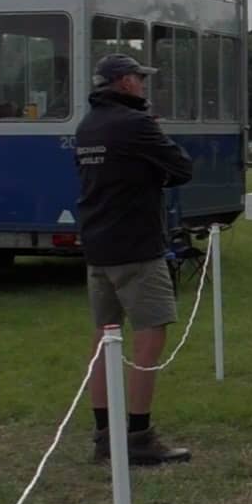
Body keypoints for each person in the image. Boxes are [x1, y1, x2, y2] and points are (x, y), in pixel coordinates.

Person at [74, 53, 195, 465]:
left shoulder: (87, 125)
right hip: (137, 247)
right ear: (125, 82)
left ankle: (104, 437)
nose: (143, 85)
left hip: (97, 246)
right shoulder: (137, 124)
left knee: (104, 337)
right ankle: (140, 436)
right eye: (139, 79)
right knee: (150, 335)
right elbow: (182, 167)